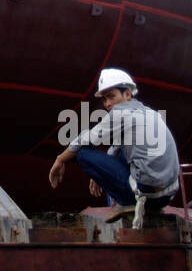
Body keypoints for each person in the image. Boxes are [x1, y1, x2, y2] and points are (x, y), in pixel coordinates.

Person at [48, 68, 180, 228]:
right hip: (166, 197)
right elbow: (116, 148)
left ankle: (125, 202)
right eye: (104, 99)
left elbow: (85, 138)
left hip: (147, 194)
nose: (108, 103)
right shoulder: (148, 112)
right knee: (120, 150)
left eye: (111, 96)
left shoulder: (121, 113)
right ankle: (148, 207)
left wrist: (60, 159)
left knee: (83, 153)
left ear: (127, 94)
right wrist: (100, 173)